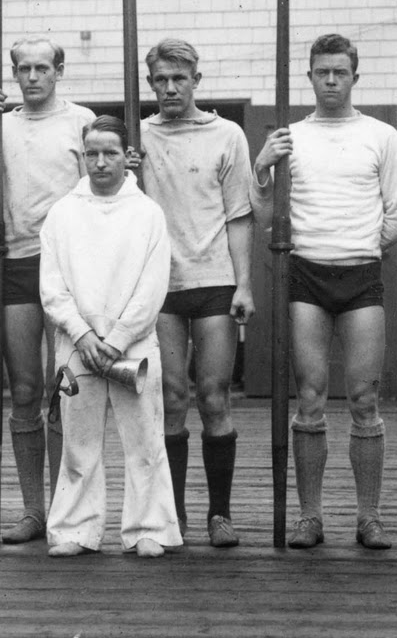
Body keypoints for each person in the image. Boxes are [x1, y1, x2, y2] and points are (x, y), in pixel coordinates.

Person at [253, 32, 397, 551]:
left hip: (361, 274)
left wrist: (366, 242)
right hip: (307, 276)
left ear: (354, 77)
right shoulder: (290, 138)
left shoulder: (381, 136)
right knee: (310, 396)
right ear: (309, 77)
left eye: (339, 72)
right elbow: (264, 222)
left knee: (366, 398)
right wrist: (261, 171)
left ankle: (370, 517)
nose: (330, 81)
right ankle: (310, 516)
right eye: (321, 72)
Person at [0, 36, 95, 543]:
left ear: (59, 71)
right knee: (24, 390)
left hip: (67, 266)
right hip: (15, 262)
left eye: (43, 67)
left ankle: (64, 509)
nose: (33, 76)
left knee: (64, 389)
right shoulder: (0, 125)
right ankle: (33, 510)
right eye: (24, 69)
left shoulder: (80, 122)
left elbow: (98, 196)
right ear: (14, 73)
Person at [41, 116, 181, 557]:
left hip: (133, 347)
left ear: (127, 157)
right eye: (92, 154)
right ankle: (74, 530)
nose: (100, 163)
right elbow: (52, 286)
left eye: (110, 153)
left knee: (144, 441)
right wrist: (82, 334)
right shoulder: (62, 213)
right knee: (79, 445)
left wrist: (118, 338)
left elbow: (152, 286)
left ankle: (149, 529)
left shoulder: (147, 213)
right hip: (78, 346)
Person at [138, 37, 255, 549]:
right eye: (160, 80)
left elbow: (239, 215)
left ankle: (220, 514)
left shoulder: (226, 135)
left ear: (196, 81)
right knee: (170, 398)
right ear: (150, 84)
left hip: (213, 281)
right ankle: (175, 514)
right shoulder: (137, 139)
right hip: (160, 284)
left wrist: (245, 283)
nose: (169, 88)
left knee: (213, 396)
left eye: (178, 79)